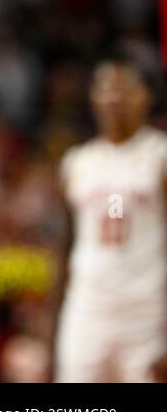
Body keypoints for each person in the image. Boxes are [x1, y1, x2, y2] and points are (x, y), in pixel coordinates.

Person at [52, 55, 167, 382]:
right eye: (105, 87)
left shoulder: (160, 155)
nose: (114, 97)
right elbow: (64, 247)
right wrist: (53, 325)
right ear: (92, 96)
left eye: (125, 88)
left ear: (146, 96)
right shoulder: (77, 162)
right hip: (88, 309)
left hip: (147, 312)